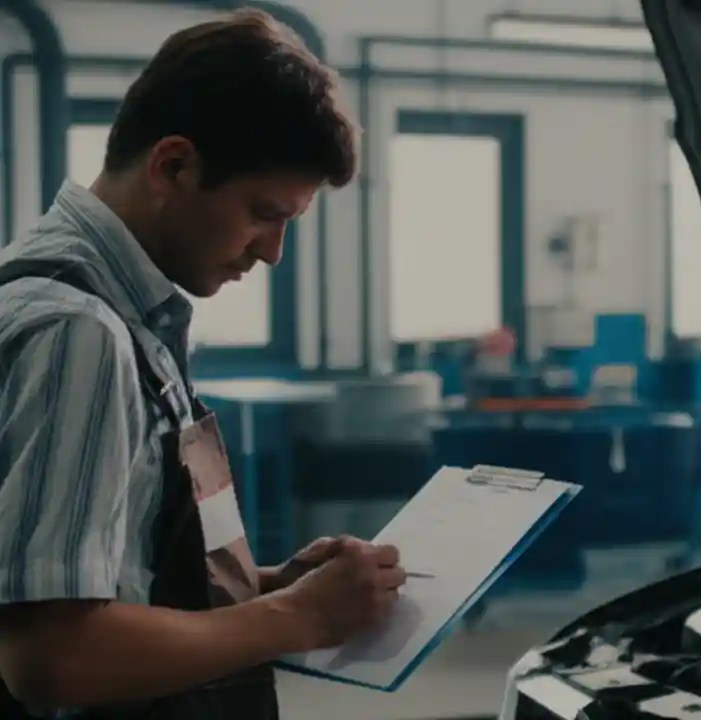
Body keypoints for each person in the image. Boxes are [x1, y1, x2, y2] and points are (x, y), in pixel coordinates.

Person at [0, 9, 406, 719]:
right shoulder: (78, 332)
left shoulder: (75, 299)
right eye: (262, 213)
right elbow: (54, 657)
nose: (272, 251)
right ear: (173, 165)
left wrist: (265, 591)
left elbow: (112, 582)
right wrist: (297, 620)